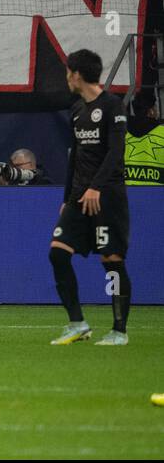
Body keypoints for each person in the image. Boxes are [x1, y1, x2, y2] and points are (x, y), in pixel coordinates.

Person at [49, 50, 132, 346]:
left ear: (77, 74)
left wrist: (96, 187)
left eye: (67, 72)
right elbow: (75, 158)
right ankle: (77, 323)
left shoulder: (113, 106)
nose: (66, 78)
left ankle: (119, 331)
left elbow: (116, 152)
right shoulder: (76, 110)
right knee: (57, 252)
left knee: (111, 259)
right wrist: (66, 197)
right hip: (78, 198)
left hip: (107, 195)